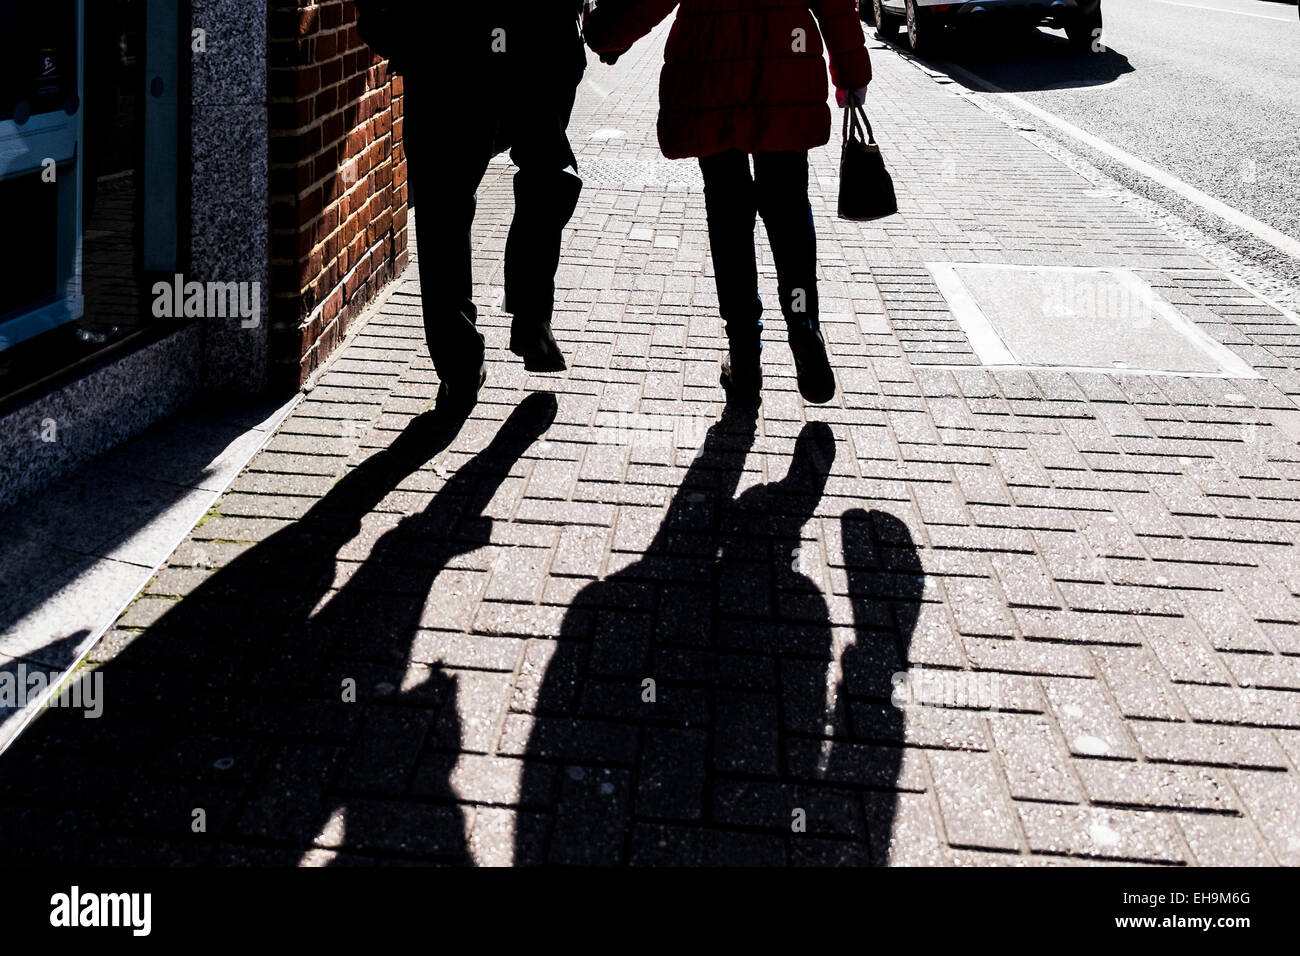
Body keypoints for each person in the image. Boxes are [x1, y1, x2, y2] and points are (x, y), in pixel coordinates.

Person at [583, 0, 871, 405]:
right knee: (788, 206)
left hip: (710, 64)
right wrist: (851, 71)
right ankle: (803, 322)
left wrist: (604, 33)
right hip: (785, 66)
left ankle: (744, 354)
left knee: (728, 212)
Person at [357, 3, 587, 412]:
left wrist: (389, 28)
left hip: (448, 40)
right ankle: (532, 318)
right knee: (545, 170)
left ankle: (460, 363)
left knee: (444, 200)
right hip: (532, 36)